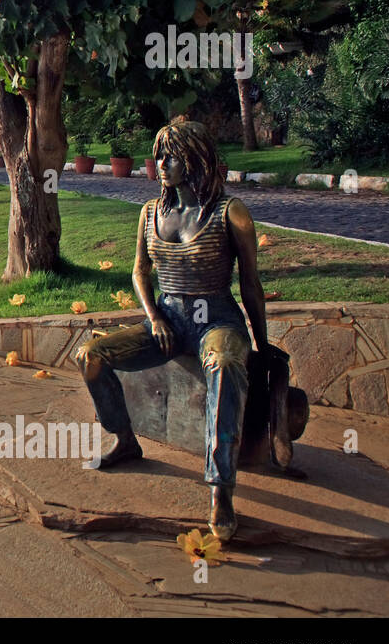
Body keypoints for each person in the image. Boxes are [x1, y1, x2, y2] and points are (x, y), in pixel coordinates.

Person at [73, 118, 270, 541]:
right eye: (159, 154)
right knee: (90, 356)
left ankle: (221, 488)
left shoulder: (229, 213)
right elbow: (140, 273)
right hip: (169, 318)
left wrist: (262, 345)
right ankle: (124, 439)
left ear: (195, 160)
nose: (161, 163)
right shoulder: (150, 213)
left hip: (216, 319)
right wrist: (155, 317)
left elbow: (251, 284)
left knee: (222, 364)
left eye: (172, 155)